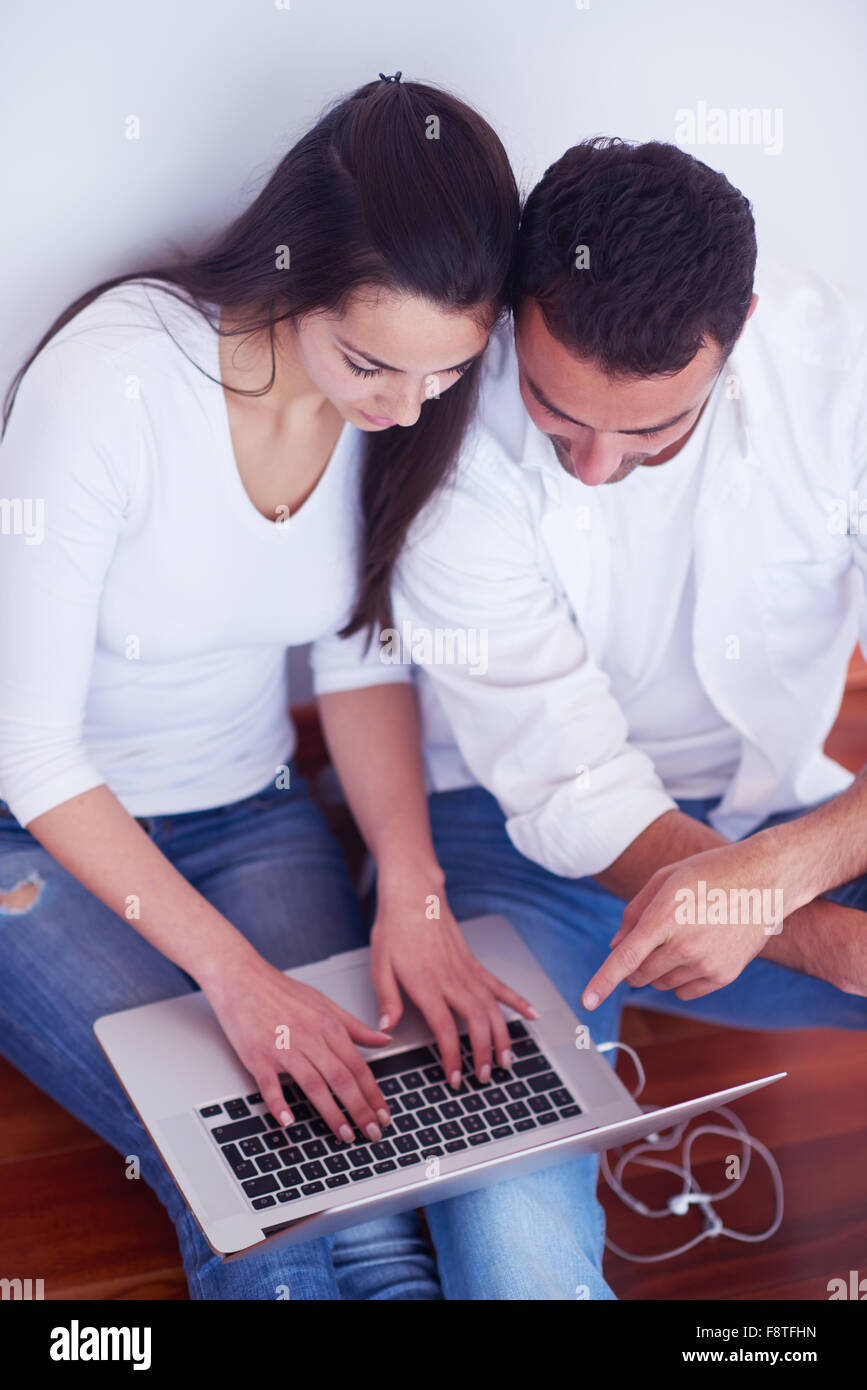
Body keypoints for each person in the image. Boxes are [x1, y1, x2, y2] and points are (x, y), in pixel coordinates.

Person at [0, 73, 597, 1302]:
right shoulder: (111, 387)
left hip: (249, 808)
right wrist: (239, 978)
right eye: (372, 364)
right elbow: (33, 749)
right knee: (248, 1163)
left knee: (366, 1155)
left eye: (442, 375)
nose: (403, 408)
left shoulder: (412, 402)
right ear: (292, 271)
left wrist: (414, 887)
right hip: (34, 836)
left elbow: (357, 649)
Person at [313, 138, 867, 1297]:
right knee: (512, 1259)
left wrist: (785, 873)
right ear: (519, 317)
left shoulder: (841, 369)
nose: (598, 469)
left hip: (781, 822)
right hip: (517, 850)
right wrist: (810, 932)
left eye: (652, 433)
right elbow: (571, 783)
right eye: (562, 420)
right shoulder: (445, 447)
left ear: (743, 328)